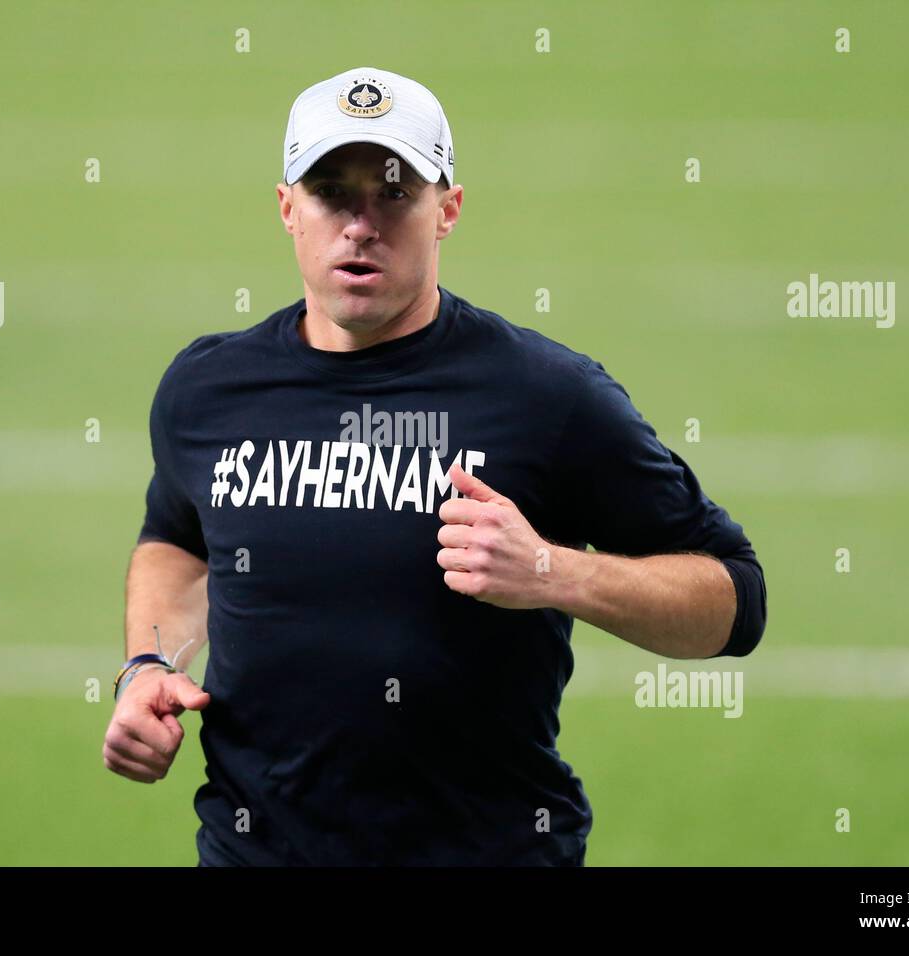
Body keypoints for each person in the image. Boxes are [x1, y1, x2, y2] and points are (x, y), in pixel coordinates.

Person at [102, 67, 768, 866]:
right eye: (330, 193)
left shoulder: (546, 397)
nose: (360, 224)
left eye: (394, 194)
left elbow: (736, 601)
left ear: (447, 209)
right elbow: (178, 540)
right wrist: (147, 663)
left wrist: (556, 573)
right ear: (287, 208)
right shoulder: (207, 390)